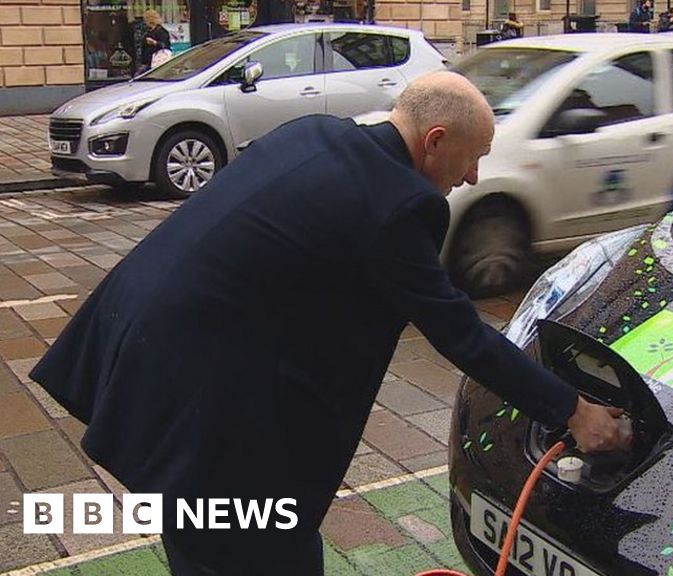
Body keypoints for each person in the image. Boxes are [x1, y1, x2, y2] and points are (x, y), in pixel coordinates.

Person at [29, 71, 628, 576]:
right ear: (435, 140)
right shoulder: (398, 205)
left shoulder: (314, 134)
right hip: (207, 412)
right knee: (265, 551)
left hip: (141, 353)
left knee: (206, 540)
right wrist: (574, 412)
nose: (470, 178)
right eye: (471, 160)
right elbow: (461, 335)